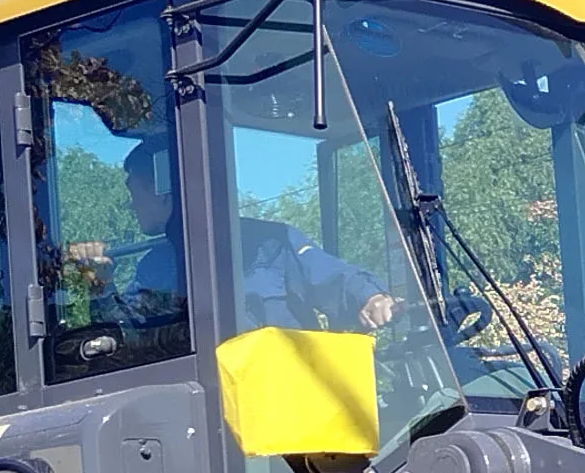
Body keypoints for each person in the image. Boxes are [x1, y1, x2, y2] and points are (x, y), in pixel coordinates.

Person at [104, 137, 399, 335]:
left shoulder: (270, 244)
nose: (131, 205)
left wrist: (371, 297)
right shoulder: (152, 269)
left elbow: (329, 274)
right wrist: (100, 283)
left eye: (134, 192)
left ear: (163, 191)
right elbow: (126, 334)